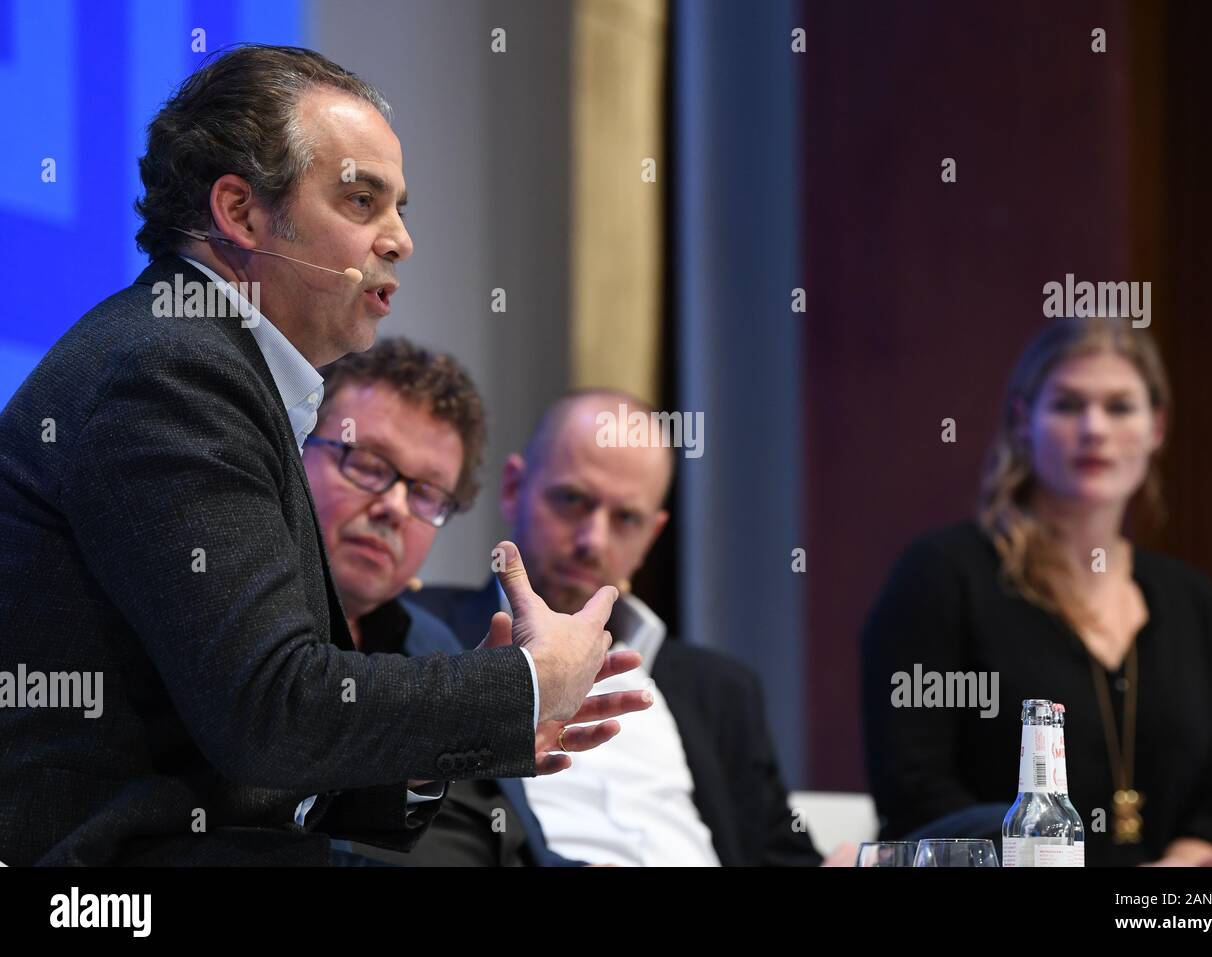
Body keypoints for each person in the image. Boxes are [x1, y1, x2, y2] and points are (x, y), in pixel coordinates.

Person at [0, 45, 644, 866]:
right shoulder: (170, 367)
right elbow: (272, 711)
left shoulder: (214, 365)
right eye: (361, 199)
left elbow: (264, 745)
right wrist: (521, 685)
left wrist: (473, 730)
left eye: (400, 207)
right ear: (239, 210)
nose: (401, 240)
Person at [860, 318, 1212, 866]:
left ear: (1157, 427)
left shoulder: (1192, 600)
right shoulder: (943, 575)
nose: (1094, 428)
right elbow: (916, 793)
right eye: (1068, 405)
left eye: (1120, 407)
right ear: (1023, 421)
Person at [415, 390, 833, 866]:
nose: (593, 540)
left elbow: (781, 854)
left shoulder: (722, 689)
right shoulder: (422, 633)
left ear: (651, 536)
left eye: (626, 518)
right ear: (514, 489)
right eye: (572, 500)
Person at [302, 338, 599, 865]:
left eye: (426, 493)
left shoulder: (435, 645)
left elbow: (516, 847)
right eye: (368, 465)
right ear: (296, 446)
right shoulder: (245, 632)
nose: (393, 507)